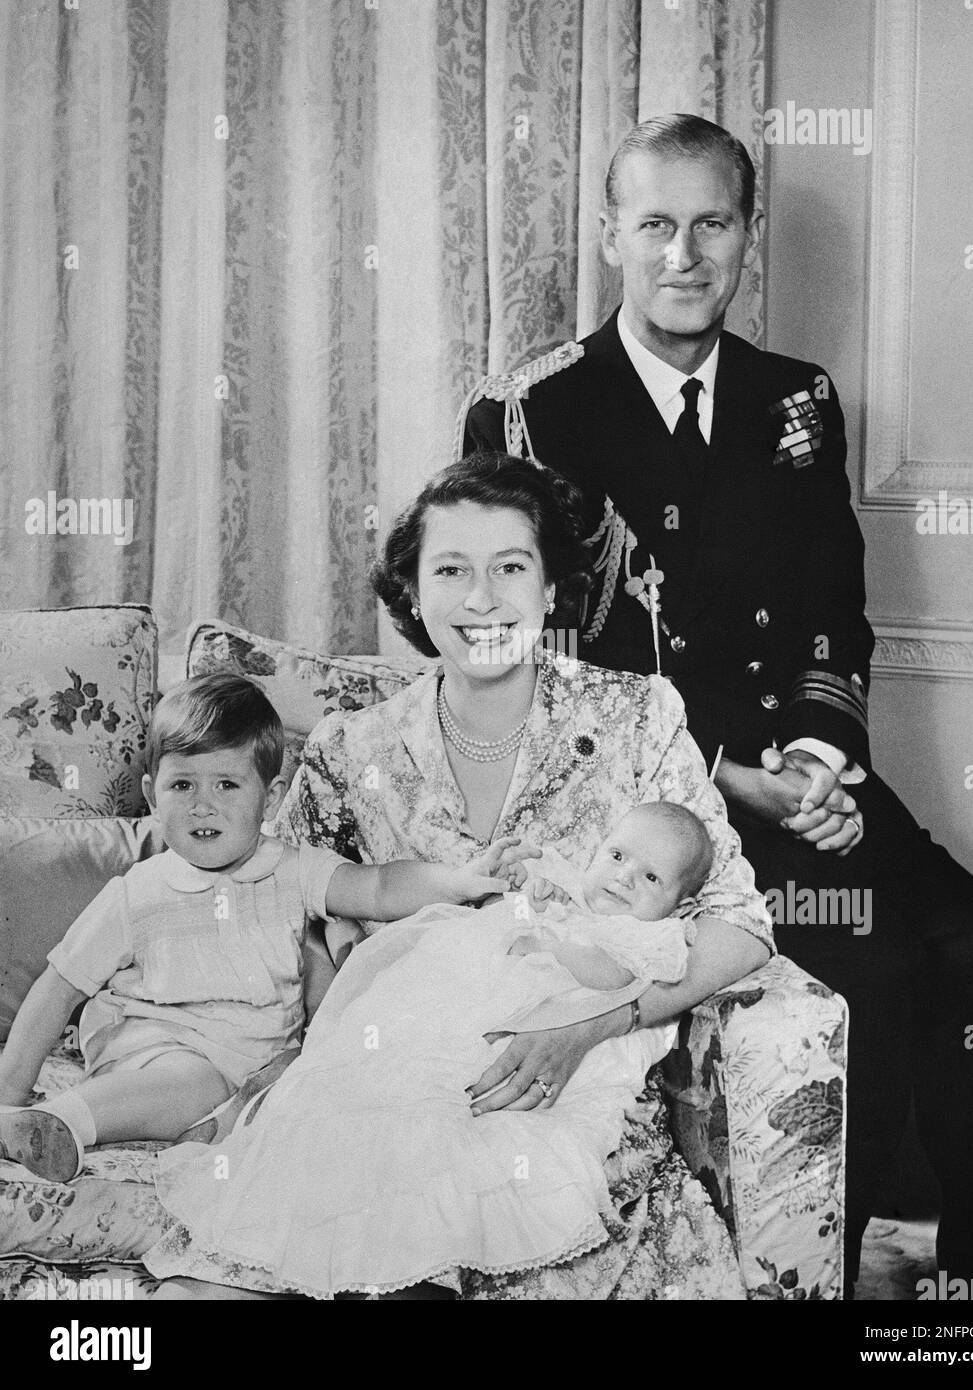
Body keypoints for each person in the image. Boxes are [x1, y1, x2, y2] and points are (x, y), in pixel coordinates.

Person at [464, 113, 973, 1295]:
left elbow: (836, 599)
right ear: (612, 238)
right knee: (870, 973)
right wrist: (728, 771)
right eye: (657, 225)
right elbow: (526, 660)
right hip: (660, 814)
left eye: (712, 225)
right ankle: (822, 1288)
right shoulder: (533, 413)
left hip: (804, 774)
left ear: (747, 238)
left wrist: (827, 753)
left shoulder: (800, 398)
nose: (684, 254)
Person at [148, 449, 773, 1299]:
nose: (482, 600)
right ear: (411, 592)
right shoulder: (349, 750)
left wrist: (589, 1023)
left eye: (511, 568)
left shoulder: (635, 717)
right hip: (388, 1100)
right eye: (450, 570)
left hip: (566, 1121)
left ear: (551, 590)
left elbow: (739, 925)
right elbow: (275, 913)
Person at [142, 803, 715, 1297]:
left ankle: (407, 1262)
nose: (622, 879)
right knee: (384, 1079)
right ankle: (333, 1221)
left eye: (650, 879)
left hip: (536, 1039)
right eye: (617, 857)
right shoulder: (565, 892)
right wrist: (534, 904)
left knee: (456, 1144)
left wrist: (551, 940)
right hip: (466, 1012)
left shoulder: (648, 939)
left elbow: (608, 974)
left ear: (679, 905)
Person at [0, 673, 530, 1183]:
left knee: (320, 1090)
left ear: (271, 799)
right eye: (181, 785)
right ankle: (60, 1121)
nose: (202, 804)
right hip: (155, 1045)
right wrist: (10, 1089)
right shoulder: (137, 895)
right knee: (196, 1082)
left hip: (260, 1058)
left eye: (227, 784)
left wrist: (461, 880)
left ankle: (212, 1132)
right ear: (152, 794)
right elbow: (58, 987)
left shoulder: (294, 869)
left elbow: (379, 889)